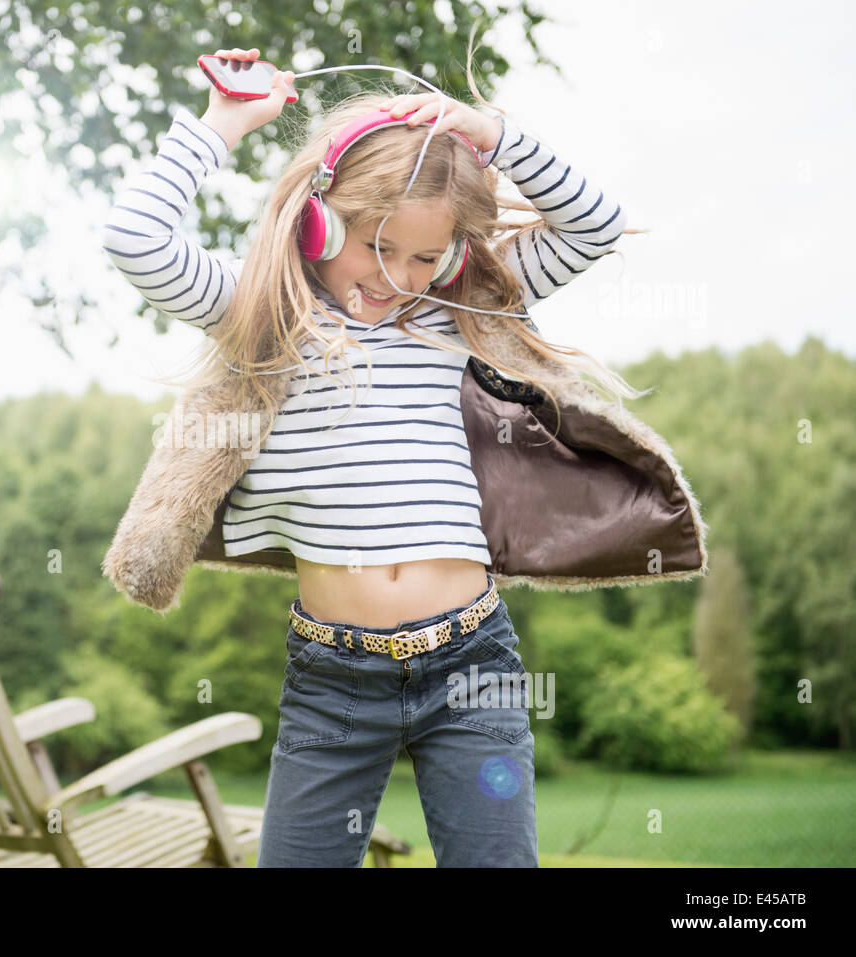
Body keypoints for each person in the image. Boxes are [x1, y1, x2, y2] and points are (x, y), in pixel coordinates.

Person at [102, 42, 652, 867]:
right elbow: (134, 238)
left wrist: (492, 134)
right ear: (320, 220)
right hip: (333, 679)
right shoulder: (263, 314)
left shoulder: (455, 314)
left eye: (426, 256)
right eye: (376, 246)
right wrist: (223, 123)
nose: (397, 277)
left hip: (473, 664)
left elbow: (595, 225)